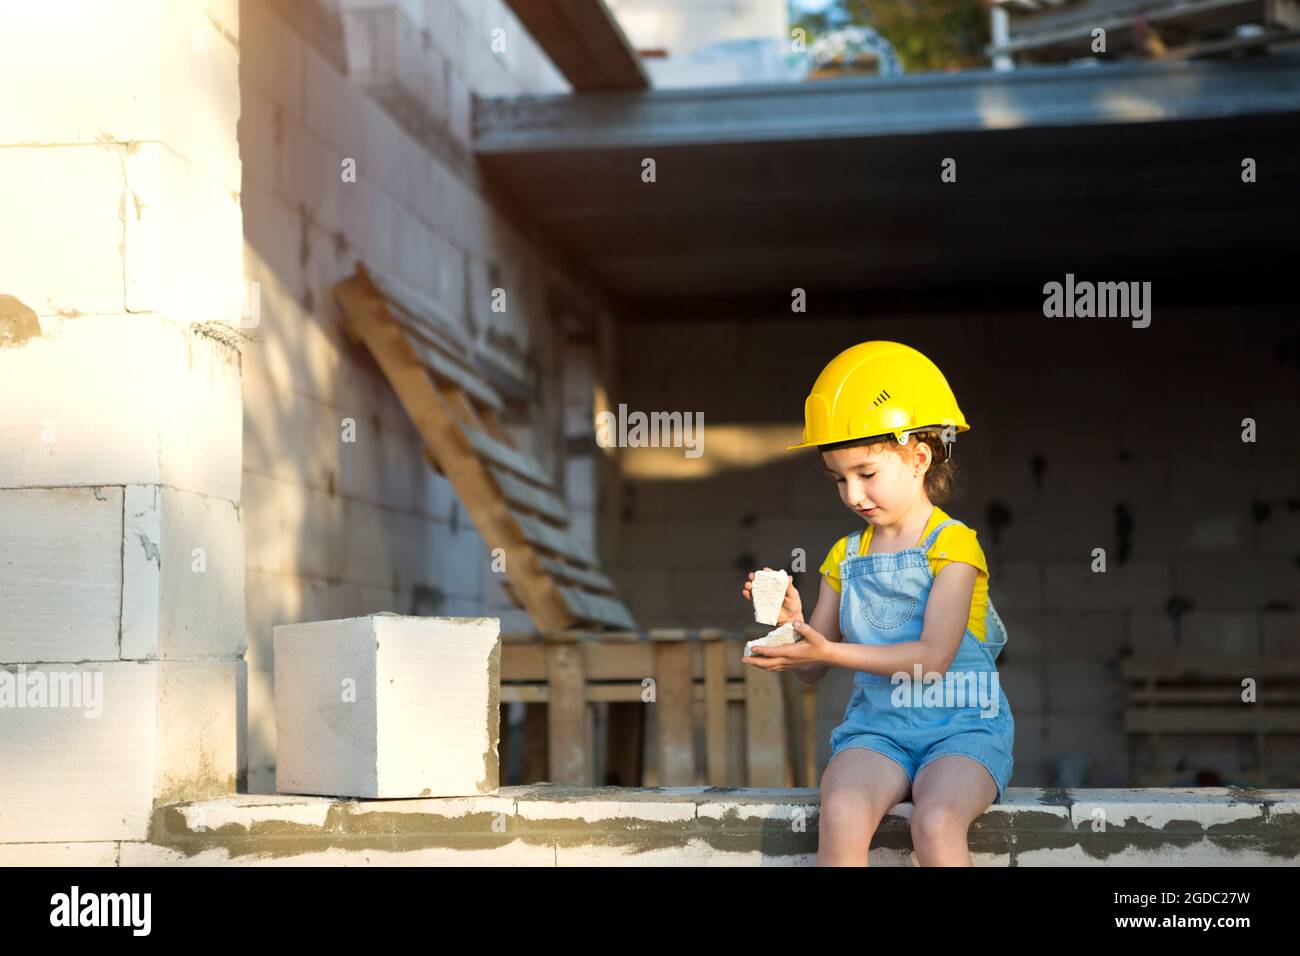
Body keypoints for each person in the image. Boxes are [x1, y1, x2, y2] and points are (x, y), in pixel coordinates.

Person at [740, 340, 1014, 866]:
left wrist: (829, 651)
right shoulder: (844, 556)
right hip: (878, 733)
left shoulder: (954, 546)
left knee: (935, 822)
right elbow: (811, 672)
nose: (852, 494)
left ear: (918, 457)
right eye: (839, 478)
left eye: (866, 473)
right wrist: (793, 628)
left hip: (962, 732)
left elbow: (932, 658)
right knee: (840, 807)